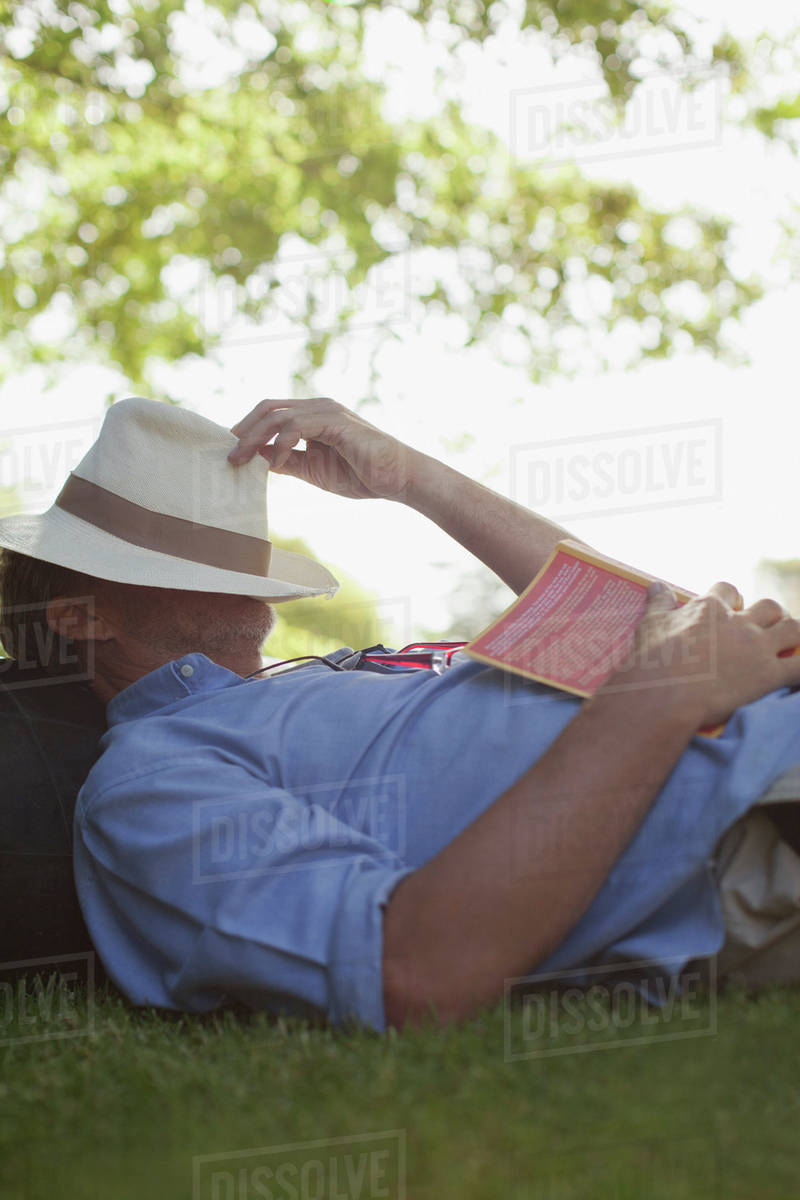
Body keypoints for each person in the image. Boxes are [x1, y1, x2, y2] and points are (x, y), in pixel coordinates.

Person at [1, 394, 800, 1032]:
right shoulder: (149, 778)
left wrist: (410, 477)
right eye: (166, 552)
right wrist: (656, 695)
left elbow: (670, 627)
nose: (228, 556)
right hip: (755, 821)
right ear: (79, 614)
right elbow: (411, 972)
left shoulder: (339, 676)